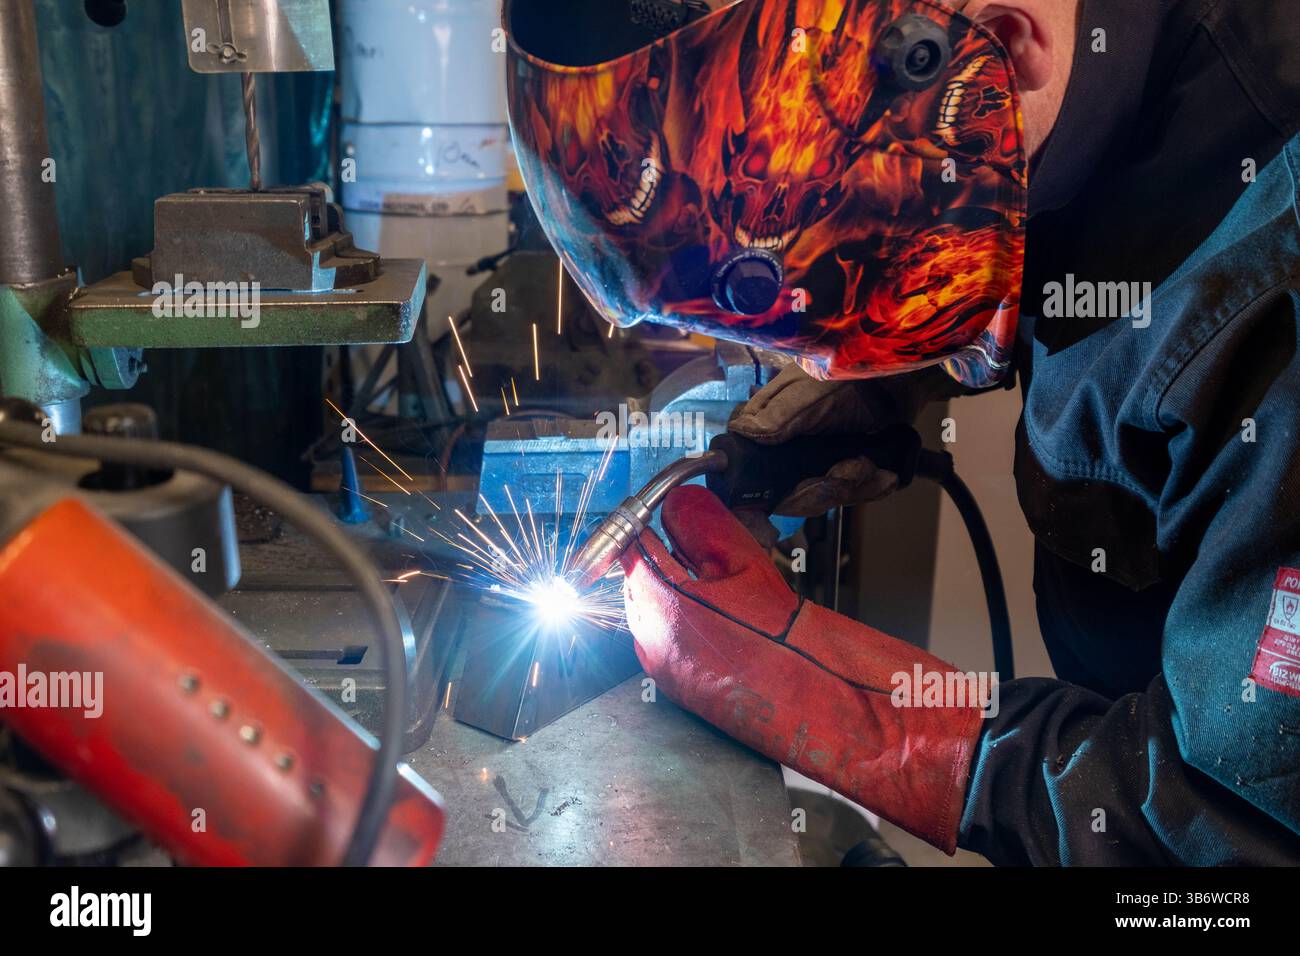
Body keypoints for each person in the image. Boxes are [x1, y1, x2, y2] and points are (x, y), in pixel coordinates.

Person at [505, 0, 1300, 863]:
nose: (815, 372)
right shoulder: (1053, 84)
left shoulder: (1279, 281)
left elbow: (1235, 840)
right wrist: (907, 356)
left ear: (1002, 41)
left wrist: (828, 697)